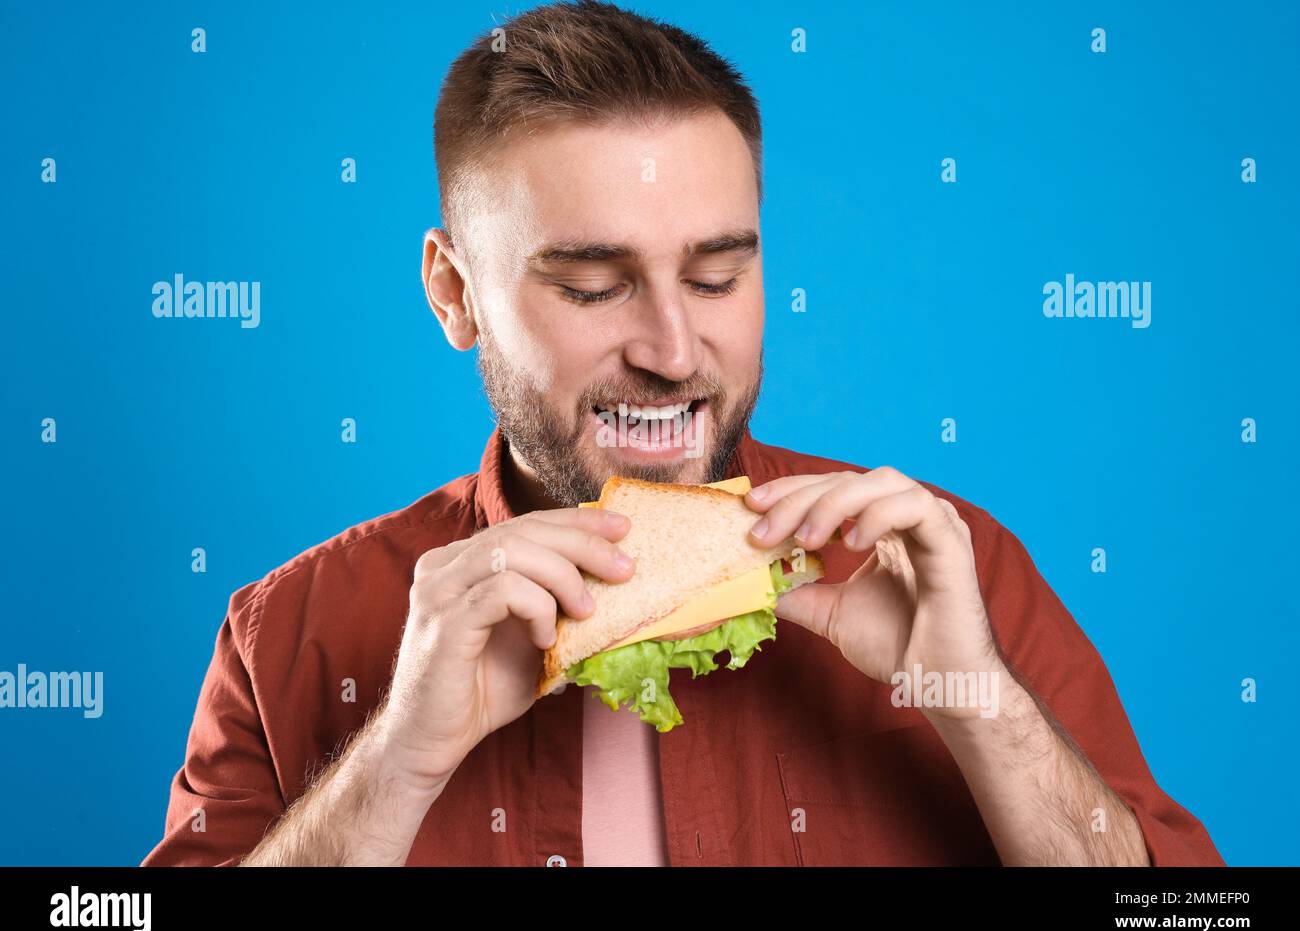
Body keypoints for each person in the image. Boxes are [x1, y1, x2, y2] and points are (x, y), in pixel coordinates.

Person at [142, 0, 1222, 867]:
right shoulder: (289, 633)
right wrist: (393, 766)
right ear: (453, 291)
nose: (671, 346)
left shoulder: (948, 569)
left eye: (717, 274)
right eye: (593, 284)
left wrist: (980, 705)